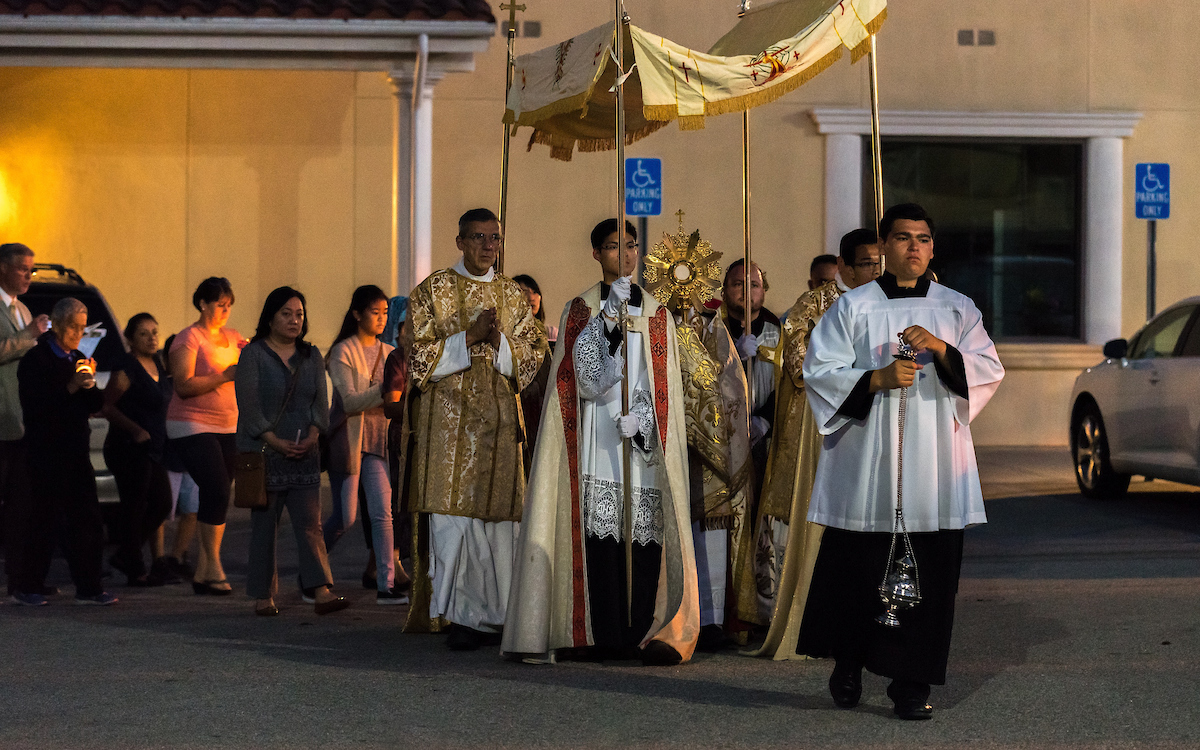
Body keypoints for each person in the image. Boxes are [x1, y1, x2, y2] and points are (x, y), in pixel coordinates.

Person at [798, 204, 1005, 719]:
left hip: (934, 464)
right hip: (867, 459)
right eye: (903, 238)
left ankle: (912, 685)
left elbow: (988, 369)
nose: (914, 246)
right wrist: (876, 379)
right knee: (857, 570)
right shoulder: (852, 307)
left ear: (933, 248)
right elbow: (818, 370)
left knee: (932, 579)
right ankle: (848, 662)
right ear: (885, 247)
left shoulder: (957, 308)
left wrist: (941, 349)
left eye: (923, 238)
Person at [503, 219, 698, 666]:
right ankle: (600, 633)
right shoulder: (581, 310)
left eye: (631, 246)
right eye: (614, 247)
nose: (625, 255)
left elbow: (667, 388)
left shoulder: (657, 314)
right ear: (596, 253)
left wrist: (643, 418)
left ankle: (642, 631)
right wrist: (608, 321)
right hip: (596, 441)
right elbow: (582, 379)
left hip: (642, 445)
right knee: (600, 540)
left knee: (643, 537)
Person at [404, 207, 549, 650]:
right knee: (455, 523)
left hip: (500, 424)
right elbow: (415, 356)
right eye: (480, 237)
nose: (490, 246)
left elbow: (532, 354)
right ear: (460, 242)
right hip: (448, 427)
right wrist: (469, 336)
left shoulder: (513, 295)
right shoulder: (432, 292)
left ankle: (500, 615)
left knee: (500, 524)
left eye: (496, 238)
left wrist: (500, 340)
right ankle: (464, 618)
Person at [750, 228, 881, 657]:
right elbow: (798, 365)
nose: (876, 270)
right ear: (843, 266)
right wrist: (857, 374)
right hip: (817, 427)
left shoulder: (888, 299)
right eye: (867, 263)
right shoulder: (814, 304)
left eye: (880, 262)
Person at [236, 286, 346, 616]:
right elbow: (249, 406)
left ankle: (320, 589)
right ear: (270, 318)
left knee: (310, 525)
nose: (294, 320)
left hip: (304, 455)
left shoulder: (311, 355)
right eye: (286, 314)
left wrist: (314, 434)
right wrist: (273, 439)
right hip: (265, 456)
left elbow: (320, 402)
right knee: (265, 527)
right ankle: (263, 595)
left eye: (299, 314)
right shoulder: (253, 354)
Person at [14, 298, 115, 605]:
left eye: (83, 327)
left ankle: (89, 586)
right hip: (47, 451)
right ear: (56, 324)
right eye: (73, 325)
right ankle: (29, 585)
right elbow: (38, 406)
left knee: (86, 519)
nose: (77, 333)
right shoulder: (37, 359)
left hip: (76, 450)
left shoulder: (77, 357)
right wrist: (72, 385)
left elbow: (96, 405)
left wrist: (89, 384)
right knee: (44, 518)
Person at [323, 284, 407, 605]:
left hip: (378, 441)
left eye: (386, 313)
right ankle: (313, 566)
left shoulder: (389, 353)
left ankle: (386, 584)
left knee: (383, 513)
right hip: (348, 441)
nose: (382, 319)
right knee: (345, 516)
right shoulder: (343, 351)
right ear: (357, 314)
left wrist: (388, 394)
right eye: (375, 312)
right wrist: (385, 392)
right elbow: (348, 402)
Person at [166, 277, 243, 596]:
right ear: (202, 304)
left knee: (219, 493)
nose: (225, 311)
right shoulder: (188, 338)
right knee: (217, 487)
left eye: (228, 306)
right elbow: (182, 385)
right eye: (219, 305)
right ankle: (213, 566)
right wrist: (224, 376)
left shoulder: (236, 338)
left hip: (229, 424)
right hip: (192, 424)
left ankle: (204, 571)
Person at [101, 313, 176, 587]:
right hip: (128, 447)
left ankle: (125, 554)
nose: (152, 337)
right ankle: (136, 569)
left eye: (154, 331)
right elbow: (106, 406)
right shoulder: (127, 366)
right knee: (133, 507)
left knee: (162, 504)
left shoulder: (157, 363)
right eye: (144, 333)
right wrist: (134, 429)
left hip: (153, 447)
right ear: (130, 339)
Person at [0, 243, 52, 603]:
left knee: (22, 505)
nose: (28, 276)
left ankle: (19, 581)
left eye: (31, 269)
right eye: (23, 269)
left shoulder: (22, 309)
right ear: (3, 268)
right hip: (1, 420)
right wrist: (30, 336)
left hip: (23, 420)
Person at [511, 274, 555, 470]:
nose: (531, 297)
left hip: (542, 401)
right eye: (523, 292)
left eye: (534, 291)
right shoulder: (511, 331)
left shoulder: (543, 331)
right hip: (522, 400)